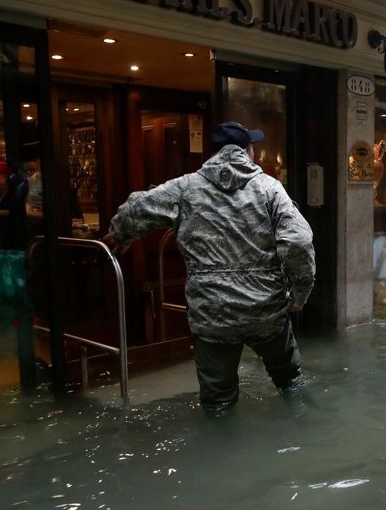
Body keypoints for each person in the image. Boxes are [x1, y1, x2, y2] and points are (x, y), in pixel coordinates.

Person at [105, 121, 315, 408]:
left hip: (213, 313)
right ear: (248, 151)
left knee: (218, 401)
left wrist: (119, 234)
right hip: (265, 310)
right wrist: (300, 294)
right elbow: (299, 242)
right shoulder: (270, 189)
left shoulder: (186, 187)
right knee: (291, 383)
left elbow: (137, 209)